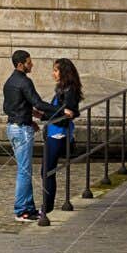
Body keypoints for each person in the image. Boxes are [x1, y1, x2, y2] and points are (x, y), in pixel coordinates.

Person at [3, 49, 66, 223]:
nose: (32, 65)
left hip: (13, 127)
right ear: (20, 64)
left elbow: (8, 108)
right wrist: (61, 110)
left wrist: (29, 119)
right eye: (29, 62)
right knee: (24, 171)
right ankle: (21, 210)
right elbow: (38, 103)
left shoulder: (9, 82)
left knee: (25, 170)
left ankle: (28, 208)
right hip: (21, 130)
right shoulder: (25, 81)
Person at [41, 58, 83, 215]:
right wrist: (42, 115)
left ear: (64, 72)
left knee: (47, 171)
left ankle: (47, 207)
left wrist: (49, 114)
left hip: (58, 134)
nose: (53, 74)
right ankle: (47, 205)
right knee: (46, 170)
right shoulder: (63, 89)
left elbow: (69, 113)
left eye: (56, 70)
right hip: (54, 132)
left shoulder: (69, 90)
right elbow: (60, 111)